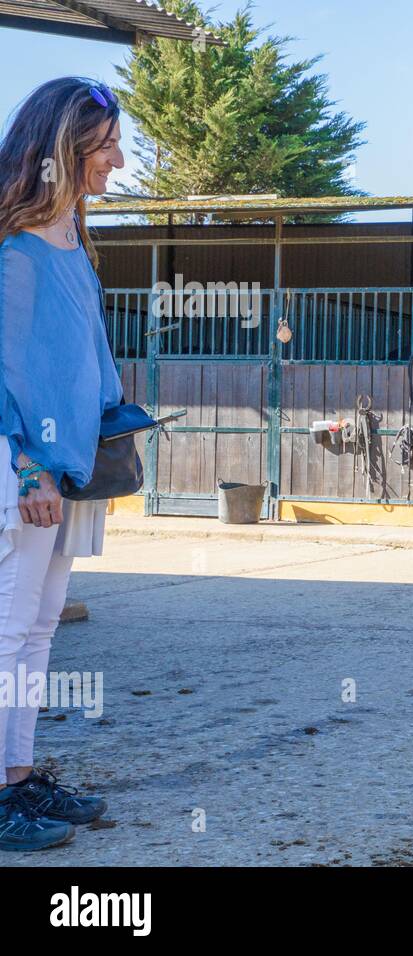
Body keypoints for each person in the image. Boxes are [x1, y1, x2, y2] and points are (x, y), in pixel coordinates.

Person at [0, 77, 125, 851]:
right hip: (27, 468)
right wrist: (28, 466)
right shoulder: (14, 252)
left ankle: (17, 776)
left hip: (72, 463)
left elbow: (85, 352)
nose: (117, 157)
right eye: (106, 142)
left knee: (41, 626)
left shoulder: (71, 238)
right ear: (65, 149)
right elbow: (8, 368)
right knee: (8, 629)